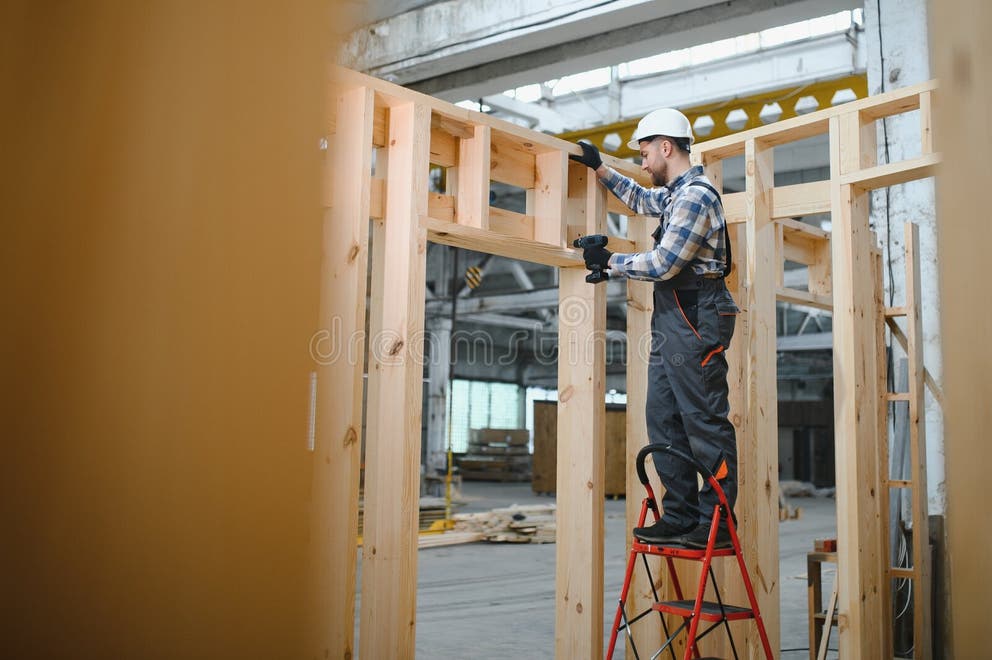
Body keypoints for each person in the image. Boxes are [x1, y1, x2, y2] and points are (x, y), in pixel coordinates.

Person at [569, 108, 739, 548]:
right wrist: (601, 168)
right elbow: (644, 201)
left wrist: (610, 262)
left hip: (696, 311)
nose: (643, 165)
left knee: (703, 421)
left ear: (666, 147)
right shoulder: (676, 194)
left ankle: (717, 524)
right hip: (675, 314)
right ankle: (682, 515)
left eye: (645, 154)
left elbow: (665, 263)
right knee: (663, 417)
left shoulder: (697, 196)